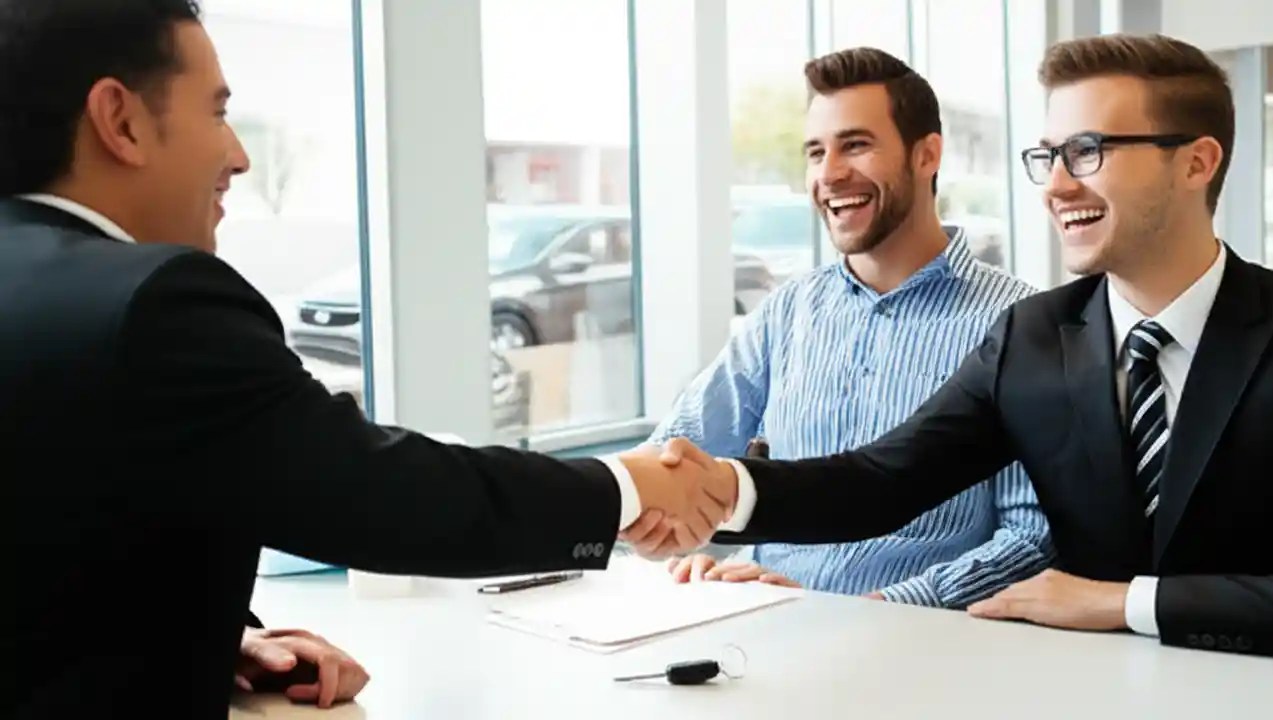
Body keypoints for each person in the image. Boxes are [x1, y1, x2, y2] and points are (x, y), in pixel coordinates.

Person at [0, 2, 735, 717]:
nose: (238, 155)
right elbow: (373, 490)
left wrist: (220, 638)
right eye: (217, 112)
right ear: (120, 120)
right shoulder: (151, 302)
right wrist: (627, 490)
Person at [634, 33, 1273, 658]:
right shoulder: (1033, 337)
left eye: (1088, 151)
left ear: (1197, 162)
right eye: (1047, 156)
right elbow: (883, 480)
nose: (1055, 186)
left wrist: (1126, 604)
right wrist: (726, 486)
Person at [632, 47, 1053, 607]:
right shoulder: (789, 312)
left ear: (927, 154)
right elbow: (675, 453)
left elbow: (1029, 540)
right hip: (764, 620)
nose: (829, 174)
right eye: (815, 152)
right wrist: (697, 551)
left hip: (915, 649)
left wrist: (877, 607)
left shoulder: (1019, 323)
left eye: (855, 145)